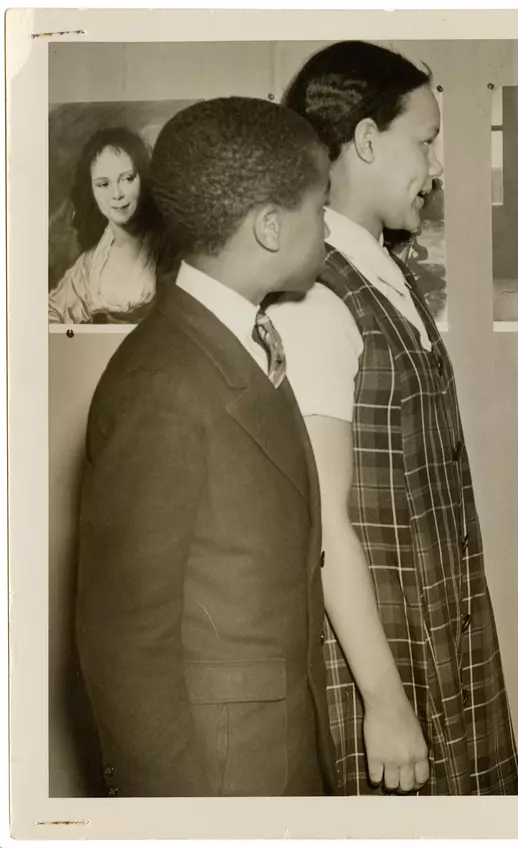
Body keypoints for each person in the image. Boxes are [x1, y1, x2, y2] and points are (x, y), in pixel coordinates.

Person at [268, 40, 518, 796]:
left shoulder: (384, 270)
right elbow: (325, 526)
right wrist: (383, 703)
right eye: (427, 140)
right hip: (383, 657)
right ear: (368, 140)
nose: (437, 166)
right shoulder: (314, 297)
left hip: (438, 628)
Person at [75, 97, 336, 797]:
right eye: (322, 207)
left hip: (275, 749)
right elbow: (126, 644)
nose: (329, 230)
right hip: (217, 779)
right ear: (271, 227)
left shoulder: (232, 339)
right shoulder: (162, 381)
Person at [49, 127, 164, 324]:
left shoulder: (170, 248)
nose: (117, 194)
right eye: (103, 184)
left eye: (127, 179)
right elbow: (49, 314)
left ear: (143, 179)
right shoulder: (89, 266)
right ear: (92, 190)